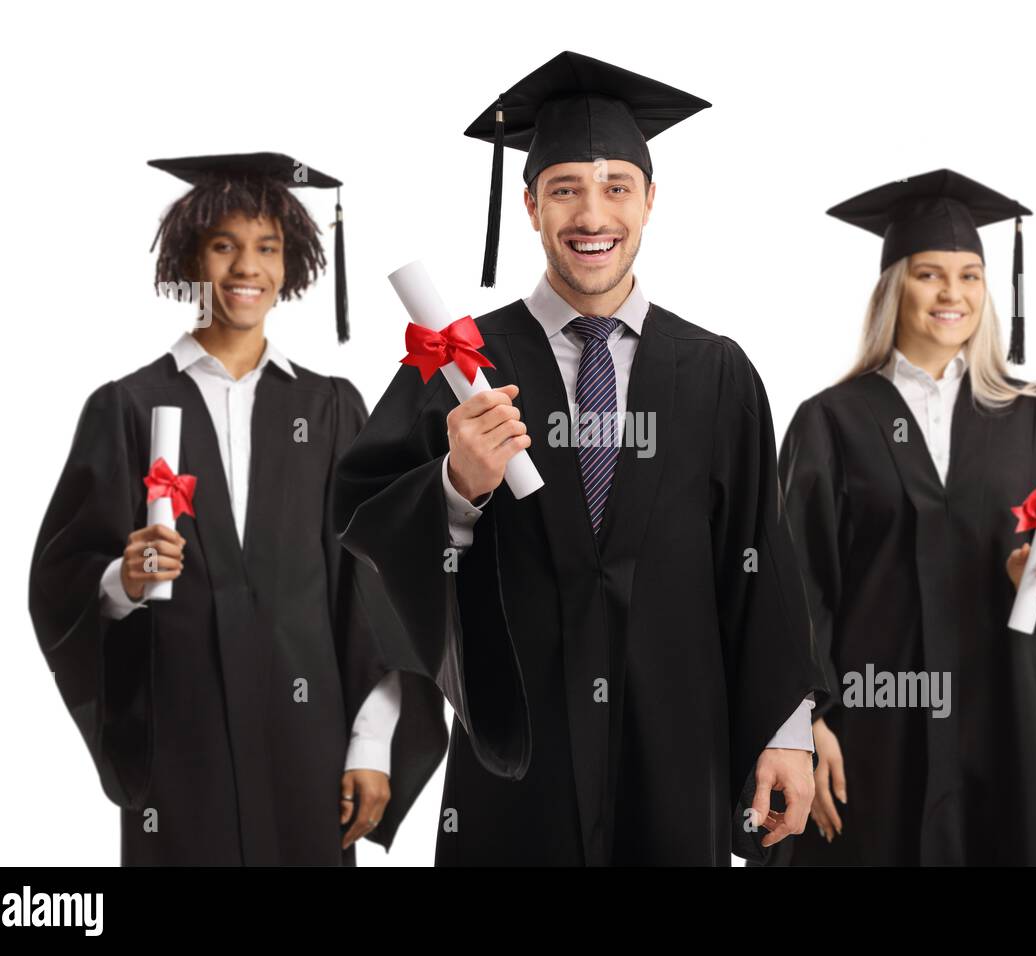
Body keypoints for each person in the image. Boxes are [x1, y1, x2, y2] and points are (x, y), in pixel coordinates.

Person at [334, 52, 828, 866]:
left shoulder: (716, 371)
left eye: (616, 188)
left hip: (675, 752)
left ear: (650, 200)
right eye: (564, 189)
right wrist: (455, 488)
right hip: (518, 753)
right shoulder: (459, 365)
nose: (592, 215)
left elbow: (758, 560)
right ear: (530, 205)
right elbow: (362, 527)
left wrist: (786, 730)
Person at [28, 152, 446, 865]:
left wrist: (372, 744)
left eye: (267, 247)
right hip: (178, 739)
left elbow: (372, 588)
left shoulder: (330, 409)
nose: (246, 267)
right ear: (191, 258)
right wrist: (122, 580)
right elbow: (60, 578)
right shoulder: (126, 407)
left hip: (310, 745)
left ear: (291, 262)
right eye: (223, 246)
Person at [765, 169, 1036, 866]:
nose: (952, 294)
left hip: (1002, 726)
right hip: (871, 729)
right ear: (894, 288)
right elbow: (794, 585)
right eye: (929, 274)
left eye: (969, 276)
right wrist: (809, 721)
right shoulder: (832, 422)